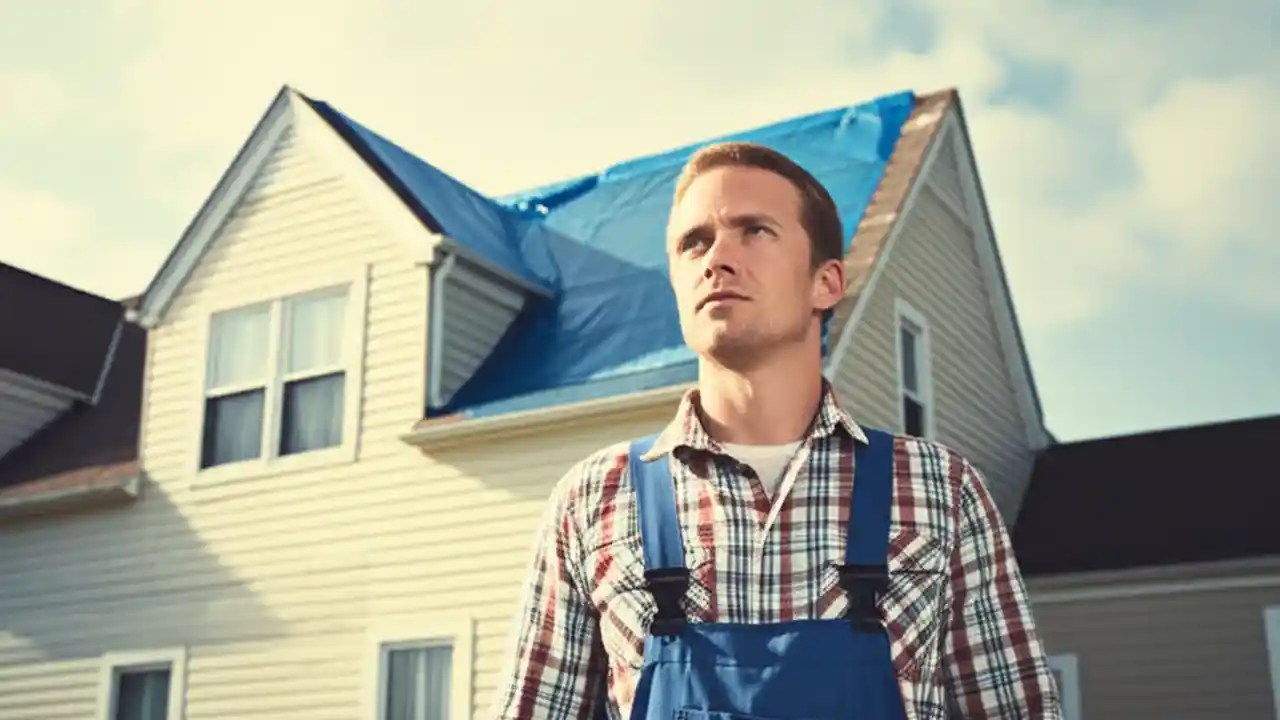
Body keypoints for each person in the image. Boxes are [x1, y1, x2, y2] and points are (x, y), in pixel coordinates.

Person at [489, 142, 1062, 719]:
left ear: (826, 283)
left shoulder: (941, 490)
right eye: (694, 243)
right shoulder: (592, 501)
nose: (717, 259)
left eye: (754, 231)